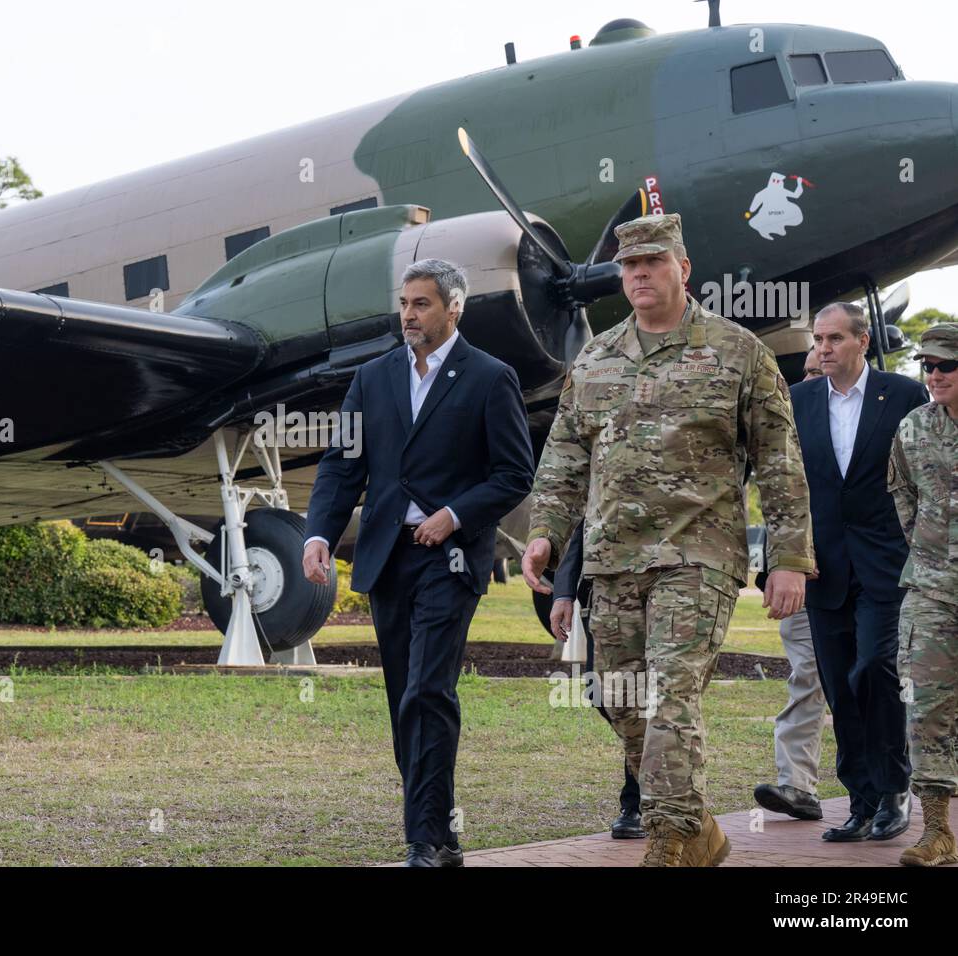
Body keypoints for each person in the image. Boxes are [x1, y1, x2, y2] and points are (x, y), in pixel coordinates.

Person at [521, 212, 815, 867]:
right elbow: (565, 453)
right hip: (612, 559)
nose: (640, 275)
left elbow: (779, 459)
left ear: (683, 269)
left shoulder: (739, 351)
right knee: (620, 700)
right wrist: (545, 532)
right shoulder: (596, 357)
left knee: (670, 695)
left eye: (653, 263)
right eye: (629, 266)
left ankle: (669, 841)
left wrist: (788, 559)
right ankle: (702, 829)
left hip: (699, 557)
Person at [302, 258, 535, 867]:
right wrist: (318, 534)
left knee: (429, 689)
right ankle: (441, 830)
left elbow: (514, 474)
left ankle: (424, 838)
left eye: (422, 304)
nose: (408, 314)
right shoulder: (372, 378)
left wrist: (454, 514)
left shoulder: (490, 377)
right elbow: (341, 465)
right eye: (404, 303)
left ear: (453, 308)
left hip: (451, 560)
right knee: (404, 693)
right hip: (385, 561)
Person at [790, 303, 930, 843]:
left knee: (874, 669)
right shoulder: (798, 398)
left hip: (886, 563)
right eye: (817, 339)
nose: (822, 349)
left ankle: (895, 789)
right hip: (821, 567)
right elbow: (784, 480)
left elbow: (925, 472)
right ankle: (860, 800)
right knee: (838, 687)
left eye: (833, 339)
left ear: (862, 341)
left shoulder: (902, 394)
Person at [888, 322, 958, 866]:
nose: (933, 376)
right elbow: (902, 489)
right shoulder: (914, 428)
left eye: (945, 367)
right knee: (924, 703)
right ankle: (937, 833)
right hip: (932, 587)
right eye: (927, 367)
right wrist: (928, 549)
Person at [754, 347, 828, 821]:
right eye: (804, 372)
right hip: (801, 576)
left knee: (877, 679)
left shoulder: (878, 415)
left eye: (818, 372)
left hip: (867, 578)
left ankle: (897, 778)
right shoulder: (782, 414)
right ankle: (796, 785)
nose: (808, 381)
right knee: (805, 677)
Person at [551, 521, 645, 838]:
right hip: (602, 598)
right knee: (600, 694)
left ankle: (636, 805)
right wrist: (563, 592)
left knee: (643, 699)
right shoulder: (603, 473)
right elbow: (582, 529)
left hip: (660, 595)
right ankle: (652, 780)